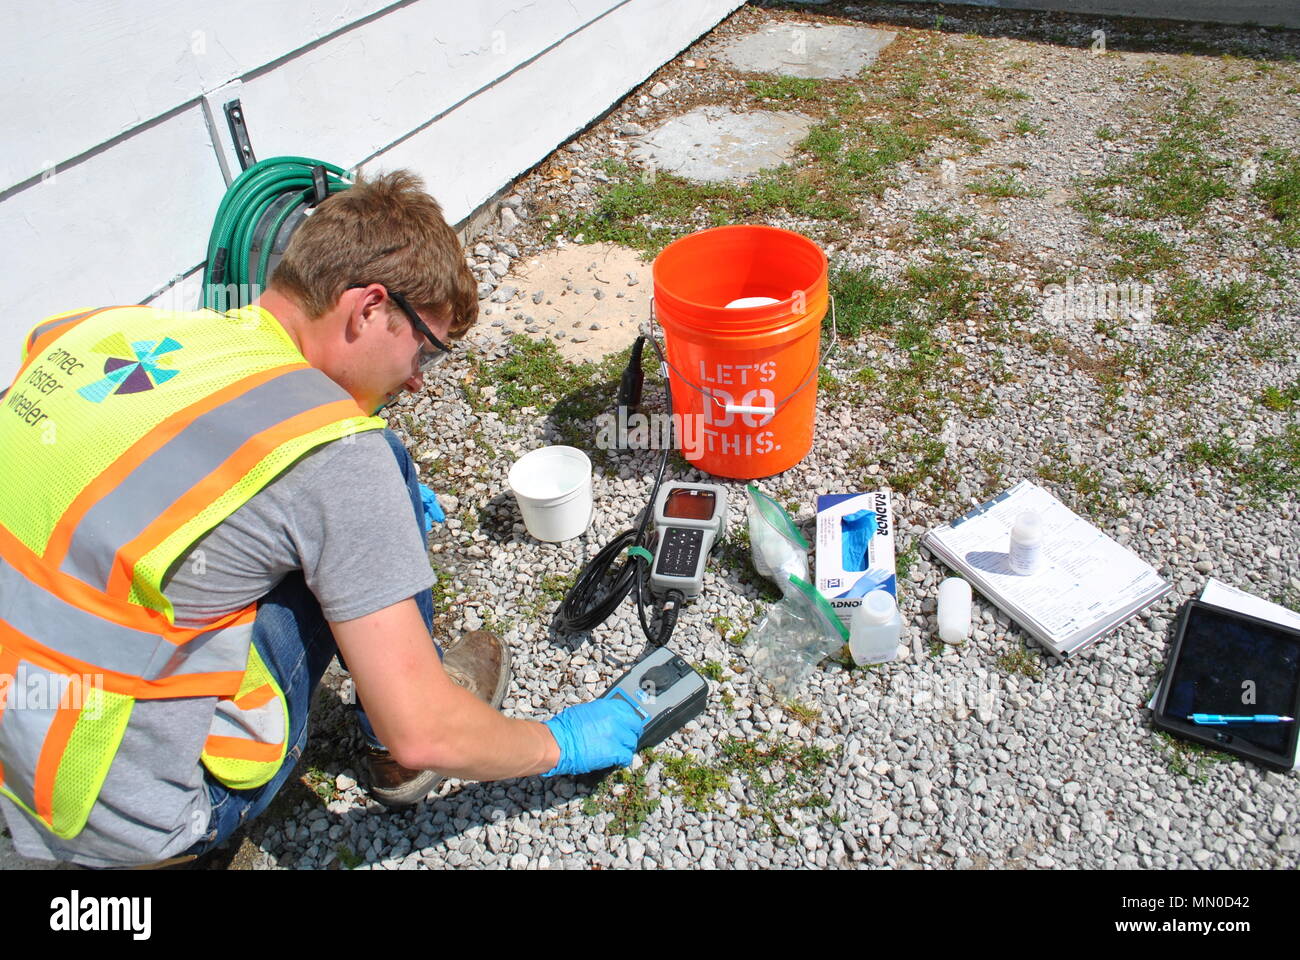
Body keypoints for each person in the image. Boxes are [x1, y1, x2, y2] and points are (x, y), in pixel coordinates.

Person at [0, 170, 644, 868]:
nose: (419, 377)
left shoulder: (93, 331)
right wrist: (560, 743)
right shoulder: (334, 447)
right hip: (135, 824)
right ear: (368, 308)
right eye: (425, 348)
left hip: (19, 759)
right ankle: (381, 742)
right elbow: (423, 732)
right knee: (384, 472)